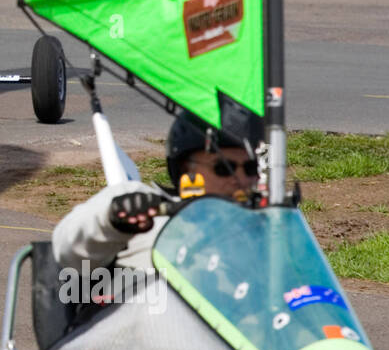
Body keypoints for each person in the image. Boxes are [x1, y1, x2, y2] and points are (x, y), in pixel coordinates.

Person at [51, 111, 260, 273]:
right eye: (223, 168)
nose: (240, 179)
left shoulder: (267, 226)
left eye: (250, 168)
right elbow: (65, 248)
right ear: (186, 169)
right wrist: (111, 220)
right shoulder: (142, 208)